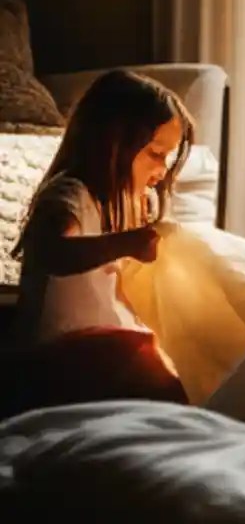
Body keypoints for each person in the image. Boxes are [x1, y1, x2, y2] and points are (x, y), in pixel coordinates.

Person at [6, 69, 195, 412]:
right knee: (151, 371)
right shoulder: (70, 195)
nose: (164, 169)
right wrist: (126, 243)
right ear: (113, 144)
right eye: (155, 154)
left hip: (102, 353)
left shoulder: (135, 204)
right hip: (56, 360)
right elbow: (53, 252)